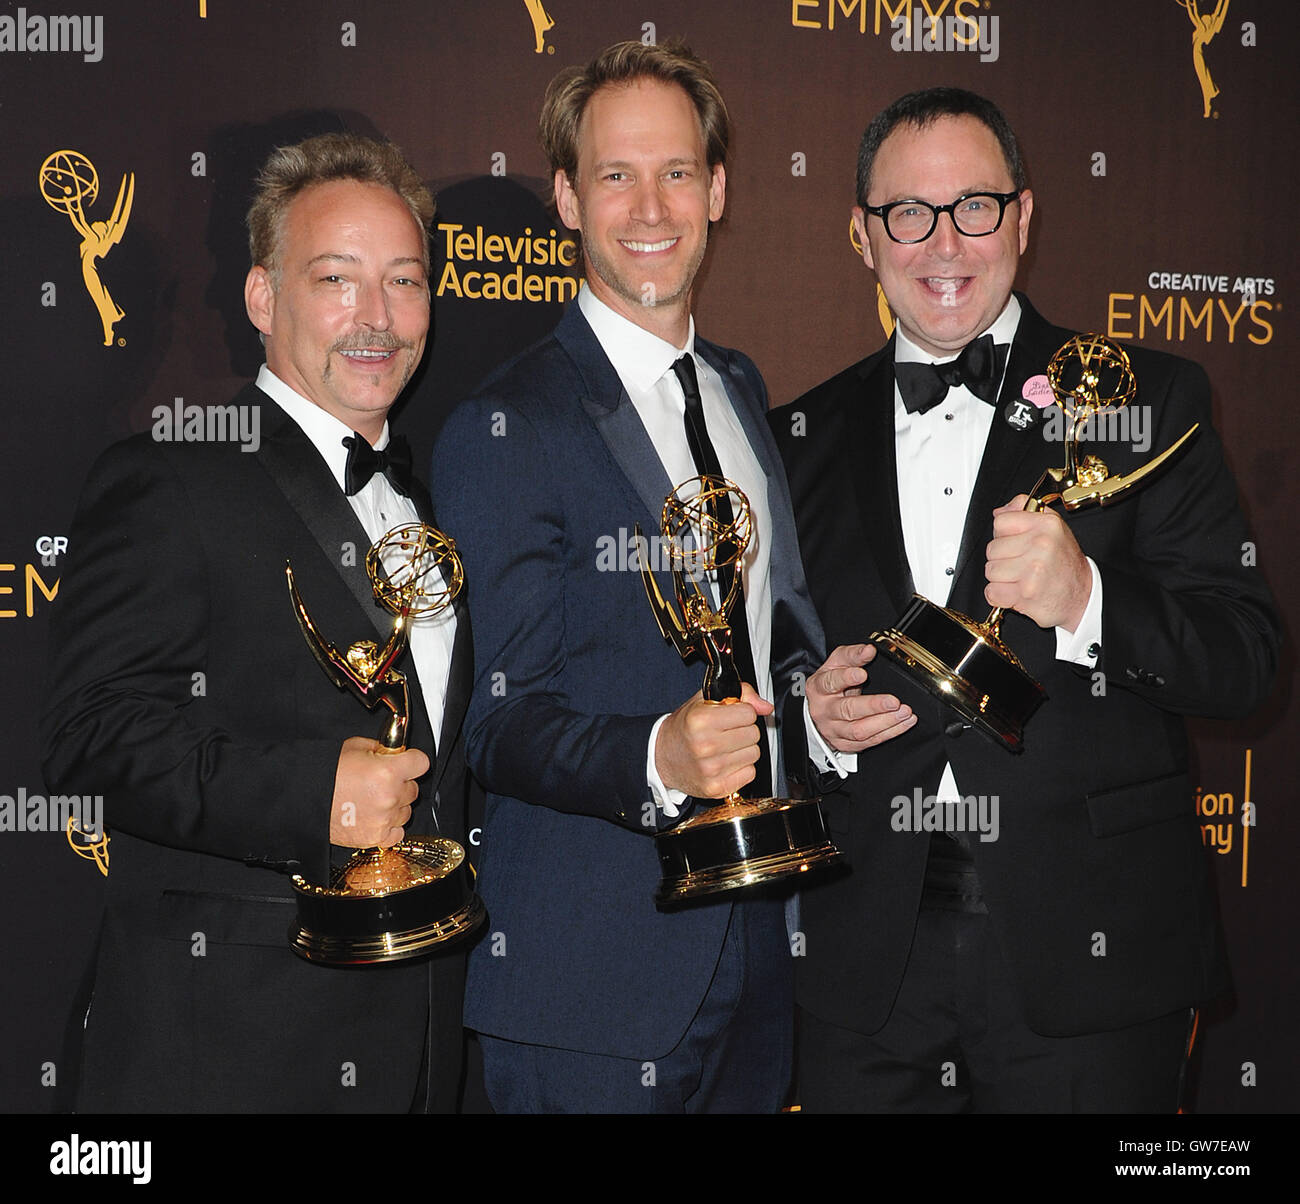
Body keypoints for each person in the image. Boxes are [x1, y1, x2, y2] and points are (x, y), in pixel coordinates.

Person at [770, 87, 1280, 1113]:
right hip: (865, 966)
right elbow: (766, 670)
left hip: (1094, 962)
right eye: (905, 212)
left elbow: (1245, 656)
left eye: (975, 206)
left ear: (1026, 217)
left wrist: (1090, 597)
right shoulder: (796, 438)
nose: (941, 241)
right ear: (860, 236)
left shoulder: (1147, 400)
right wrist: (810, 722)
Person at [431, 40, 909, 1114]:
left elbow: (765, 634)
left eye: (677, 172)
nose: (650, 206)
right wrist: (660, 753)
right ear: (565, 195)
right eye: (614, 174)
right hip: (586, 990)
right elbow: (495, 724)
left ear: (719, 189)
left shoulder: (740, 388)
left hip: (756, 959)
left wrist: (812, 708)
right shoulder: (505, 424)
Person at [41, 133, 474, 1112]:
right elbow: (89, 733)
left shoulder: (431, 503)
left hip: (418, 1046)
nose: (376, 317)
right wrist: (308, 791)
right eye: (337, 278)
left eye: (404, 281)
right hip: (229, 1052)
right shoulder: (169, 477)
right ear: (262, 300)